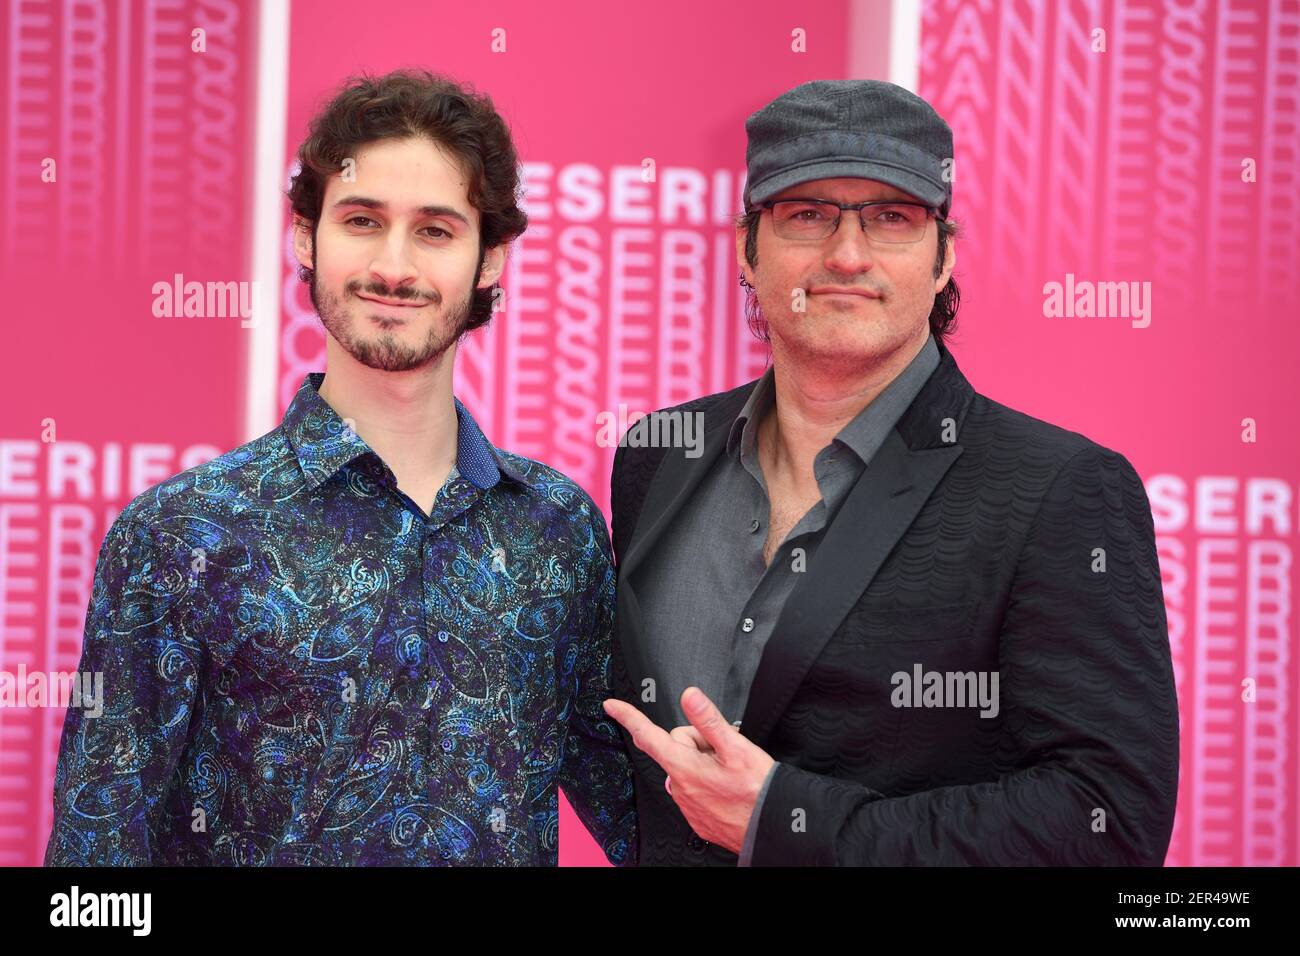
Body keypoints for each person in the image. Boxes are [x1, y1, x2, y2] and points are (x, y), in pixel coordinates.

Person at [45, 69, 636, 866]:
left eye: (435, 230)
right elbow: (97, 854)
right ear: (305, 236)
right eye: (362, 220)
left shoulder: (558, 528)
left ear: (491, 259)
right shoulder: (183, 534)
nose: (393, 267)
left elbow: (641, 814)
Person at [602, 79, 1178, 866]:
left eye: (892, 218)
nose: (846, 253)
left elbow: (1107, 820)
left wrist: (788, 822)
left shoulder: (1060, 490)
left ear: (944, 257)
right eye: (807, 213)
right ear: (746, 248)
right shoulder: (660, 454)